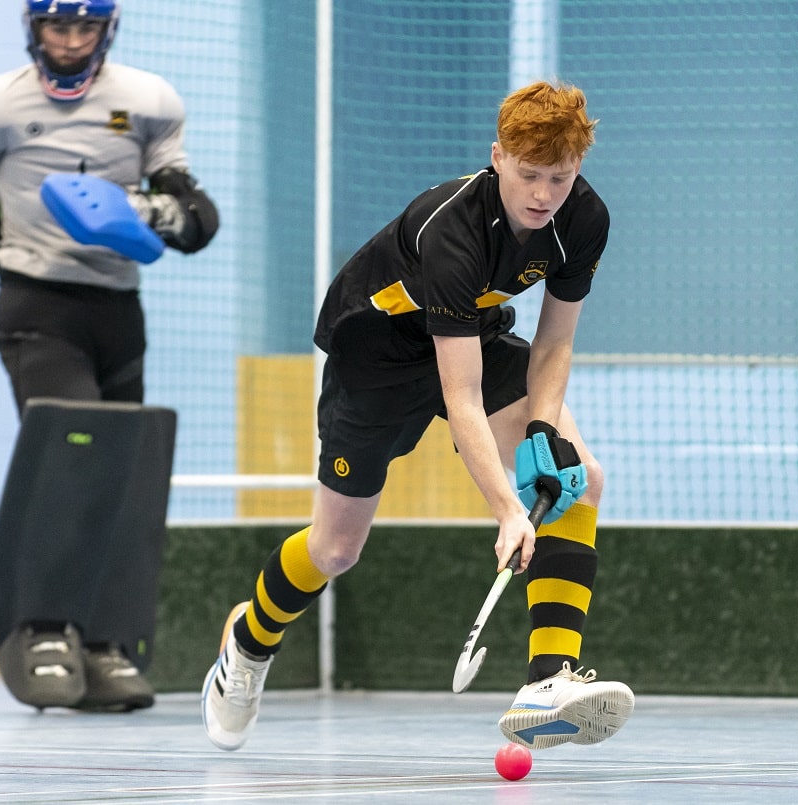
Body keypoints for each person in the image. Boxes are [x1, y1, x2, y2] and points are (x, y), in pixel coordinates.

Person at [201, 80, 633, 751]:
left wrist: (544, 431)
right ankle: (247, 643)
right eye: (528, 175)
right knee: (335, 549)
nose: (544, 194)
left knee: (582, 476)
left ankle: (550, 681)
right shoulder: (454, 232)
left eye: (560, 175)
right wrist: (507, 509)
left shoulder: (584, 219)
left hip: (477, 338)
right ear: (497, 156)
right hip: (374, 359)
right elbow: (459, 395)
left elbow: (554, 341)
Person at [0, 0, 218, 711]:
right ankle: (39, 629)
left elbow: (193, 216)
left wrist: (153, 213)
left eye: (84, 28)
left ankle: (103, 640)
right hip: (35, 305)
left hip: (116, 313)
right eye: (56, 28)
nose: (69, 43)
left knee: (118, 474)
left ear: (108, 30)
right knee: (73, 453)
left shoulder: (148, 101)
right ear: (33, 30)